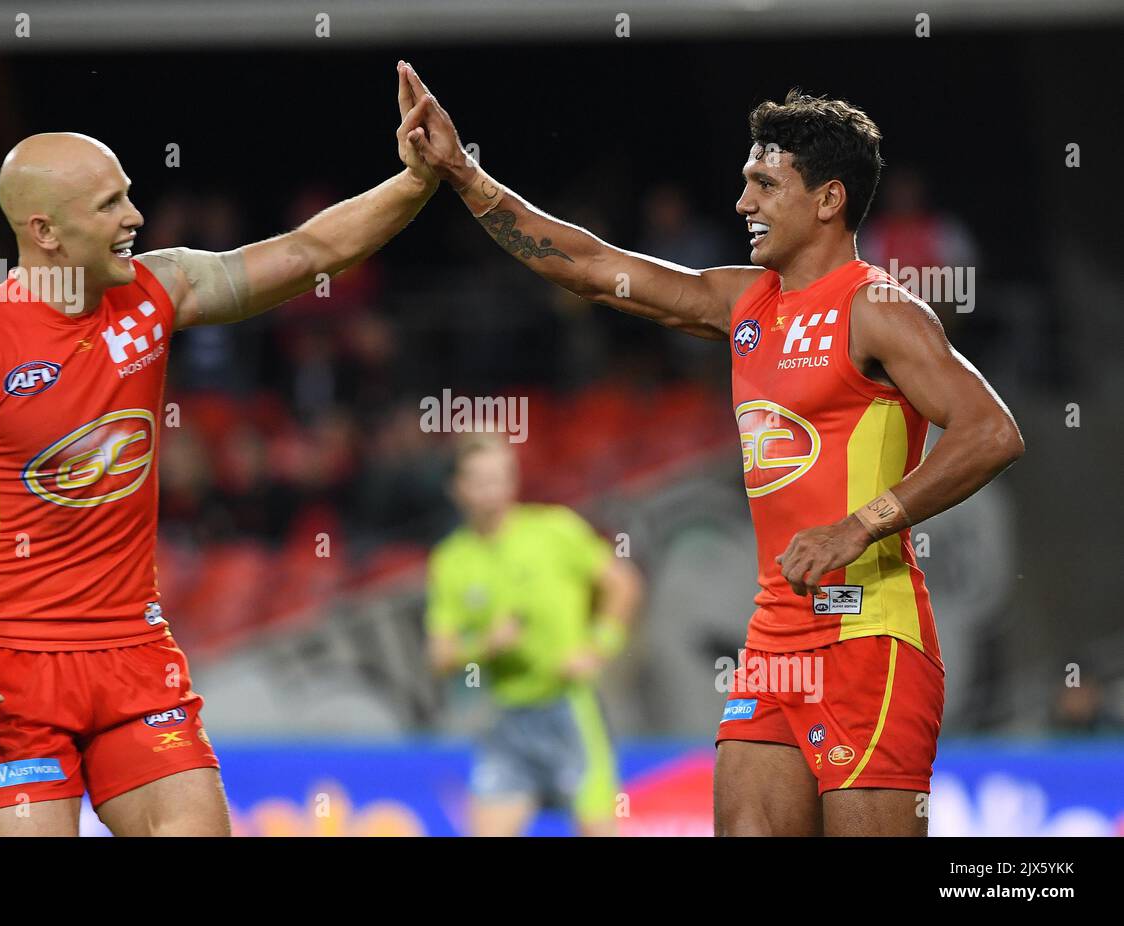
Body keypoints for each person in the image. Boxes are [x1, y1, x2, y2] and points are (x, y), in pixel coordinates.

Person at [400, 66, 1024, 836]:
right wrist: (465, 175)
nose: (743, 204)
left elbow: (993, 432)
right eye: (743, 182)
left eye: (765, 184)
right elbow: (594, 269)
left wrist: (860, 524)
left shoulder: (881, 309)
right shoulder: (740, 303)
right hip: (772, 638)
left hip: (870, 634)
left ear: (829, 199)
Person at [0, 63, 441, 836]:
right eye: (111, 204)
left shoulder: (158, 292)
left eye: (129, 191)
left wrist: (415, 182)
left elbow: (307, 254)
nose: (136, 215)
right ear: (45, 232)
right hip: (9, 671)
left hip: (134, 655)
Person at [426, 434, 642, 836]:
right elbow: (440, 657)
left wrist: (600, 646)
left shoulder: (554, 531)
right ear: (457, 489)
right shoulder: (450, 561)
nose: (493, 490)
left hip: (569, 708)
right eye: (480, 480)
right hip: (508, 720)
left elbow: (623, 584)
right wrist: (484, 646)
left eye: (501, 477)